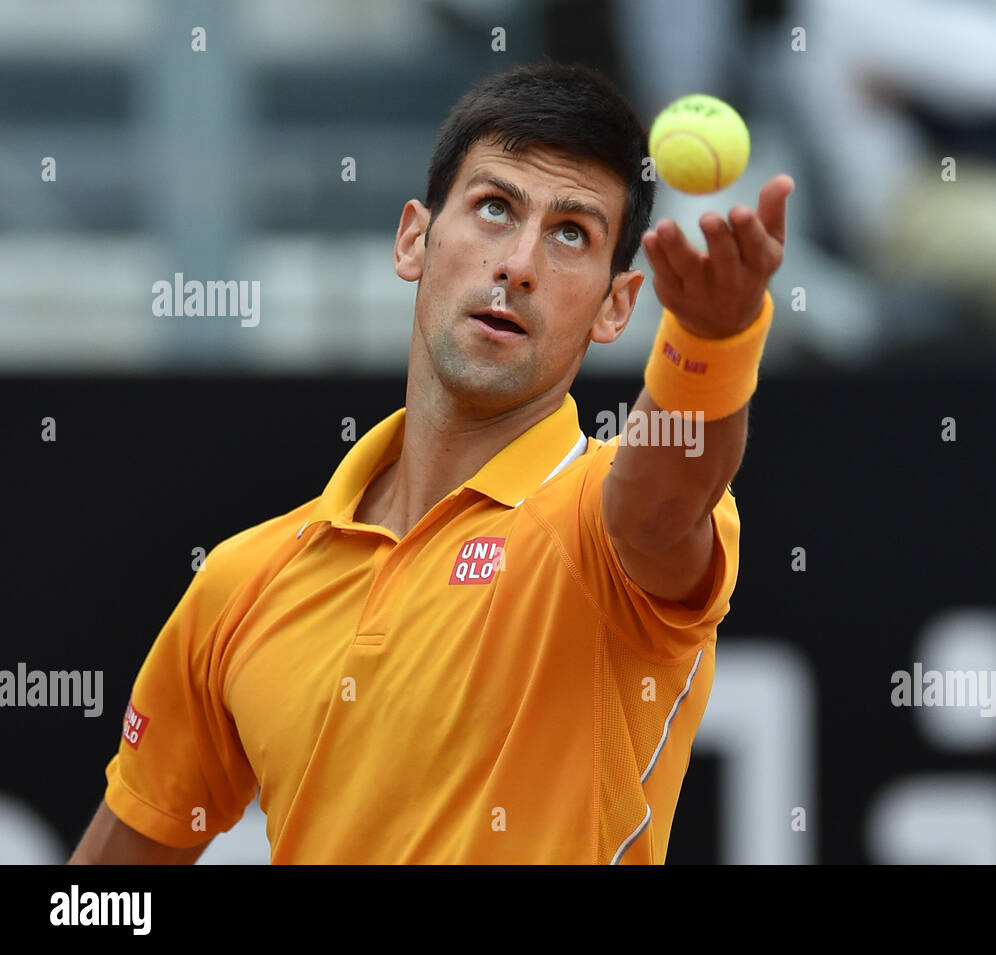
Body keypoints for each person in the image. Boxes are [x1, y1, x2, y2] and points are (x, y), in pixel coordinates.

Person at [68, 61, 793, 864]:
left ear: (617, 305)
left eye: (570, 233)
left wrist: (710, 342)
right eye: (494, 208)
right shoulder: (241, 585)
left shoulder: (599, 519)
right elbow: (109, 885)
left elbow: (661, 507)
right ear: (414, 237)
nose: (519, 262)